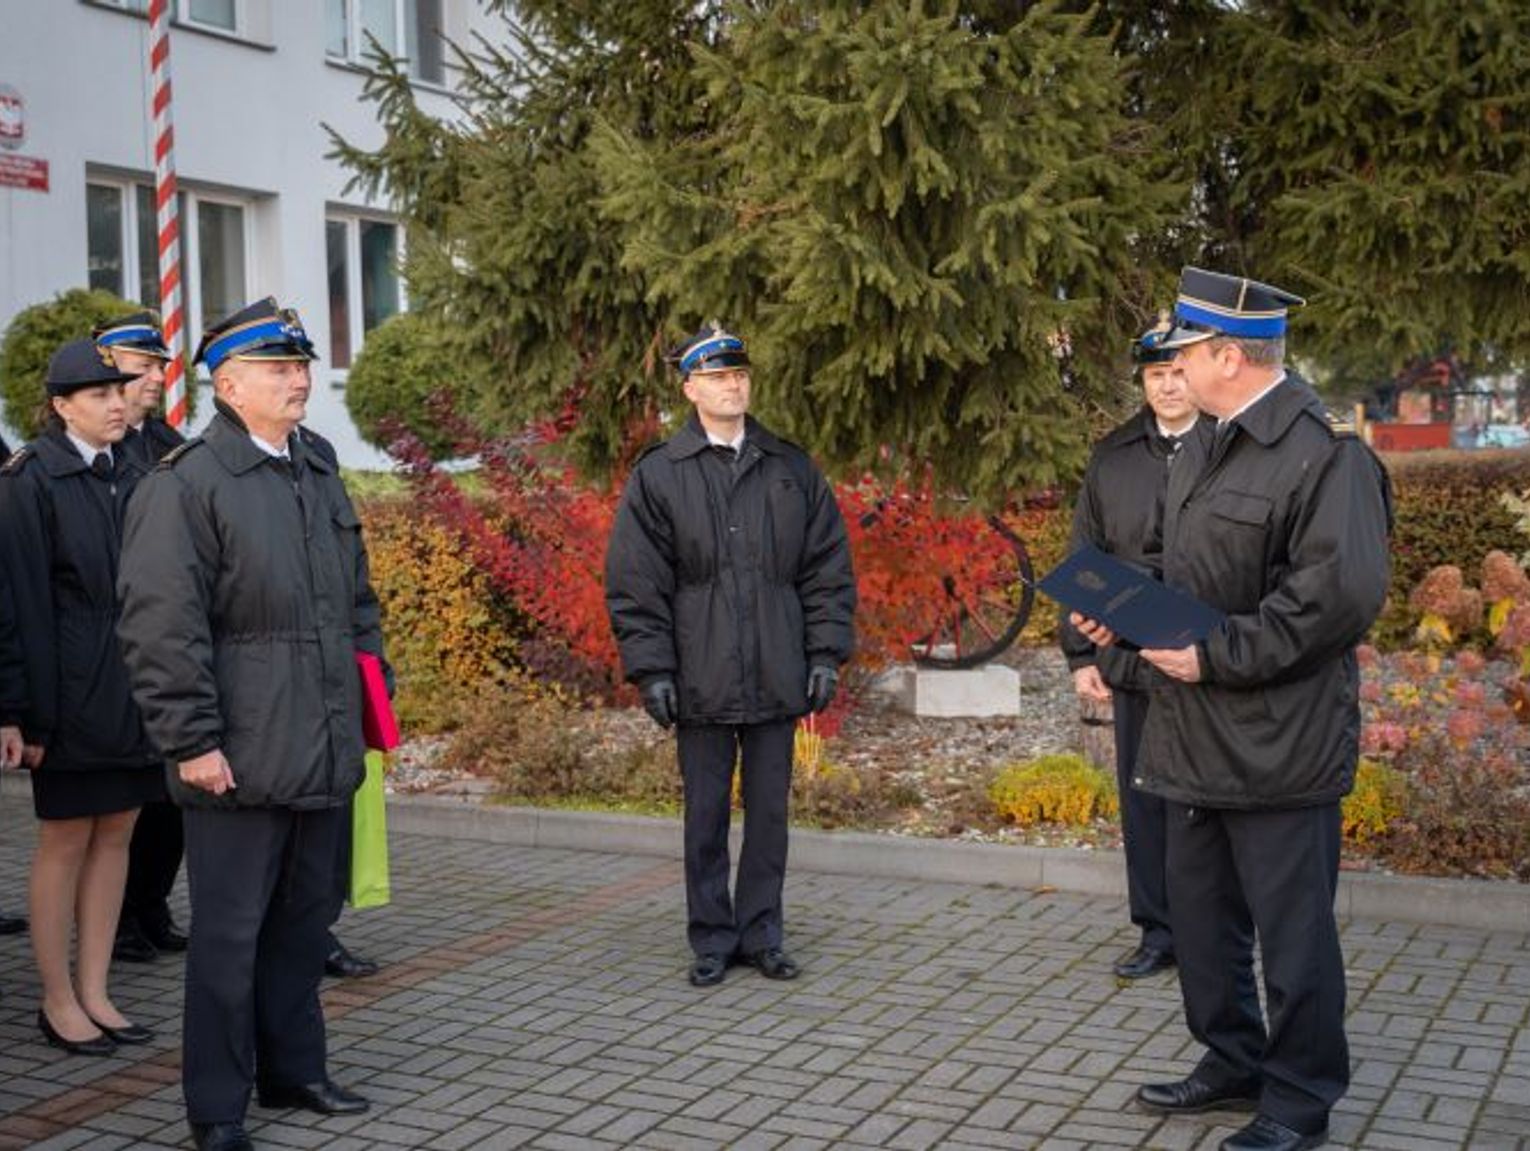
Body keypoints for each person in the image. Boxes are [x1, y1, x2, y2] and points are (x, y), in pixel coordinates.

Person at [1072, 267, 1391, 1151]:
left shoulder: (1328, 456)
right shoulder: (1205, 447)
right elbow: (1184, 572)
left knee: (1293, 943)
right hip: (1191, 738)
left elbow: (1335, 600)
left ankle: (1297, 1098)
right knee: (1203, 930)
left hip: (1280, 747)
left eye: (1184, 351)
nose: (1174, 367)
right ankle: (1230, 1058)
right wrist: (1123, 619)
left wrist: (1215, 655)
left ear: (1225, 355)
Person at [117, 298, 385, 1151]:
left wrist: (368, 702)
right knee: (228, 941)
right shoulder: (187, 483)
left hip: (321, 742)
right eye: (279, 368)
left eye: (301, 366)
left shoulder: (316, 464)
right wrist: (191, 741)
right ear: (227, 383)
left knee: (305, 922)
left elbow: (356, 604)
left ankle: (293, 1069)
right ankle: (218, 1106)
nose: (299, 379)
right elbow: (161, 626)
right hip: (235, 753)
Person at [605, 324, 856, 988]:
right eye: (717, 376)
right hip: (702, 670)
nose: (732, 384)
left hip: (777, 667)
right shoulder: (661, 474)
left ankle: (763, 932)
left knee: (770, 814)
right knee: (706, 814)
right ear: (690, 388)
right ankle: (712, 935)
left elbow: (827, 567)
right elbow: (635, 581)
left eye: (739, 373)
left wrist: (825, 652)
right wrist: (653, 668)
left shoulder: (791, 468)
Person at [0, 340, 164, 1057]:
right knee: (66, 838)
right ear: (62, 405)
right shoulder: (30, 478)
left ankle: (97, 990)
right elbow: (14, 600)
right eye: (98, 394)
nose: (117, 403)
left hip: (132, 684)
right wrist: (17, 709)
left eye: (119, 390)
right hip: (65, 688)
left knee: (118, 832)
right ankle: (57, 997)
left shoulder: (136, 469)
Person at [1059, 317, 1210, 981]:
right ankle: (1157, 930)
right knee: (1143, 798)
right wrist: (1081, 656)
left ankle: (1213, 927)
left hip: (1211, 659)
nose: (1170, 386)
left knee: (1206, 802)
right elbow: (1084, 558)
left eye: (1180, 372)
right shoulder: (1112, 456)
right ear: (1142, 381)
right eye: (1156, 374)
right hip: (1131, 657)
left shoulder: (1227, 447)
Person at [93, 313, 190, 964]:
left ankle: (151, 905)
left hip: (165, 640)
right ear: (106, 362)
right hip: (113, 647)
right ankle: (118, 916)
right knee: (125, 797)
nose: (160, 374)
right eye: (144, 362)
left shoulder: (167, 441)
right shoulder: (94, 450)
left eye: (161, 363)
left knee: (169, 797)